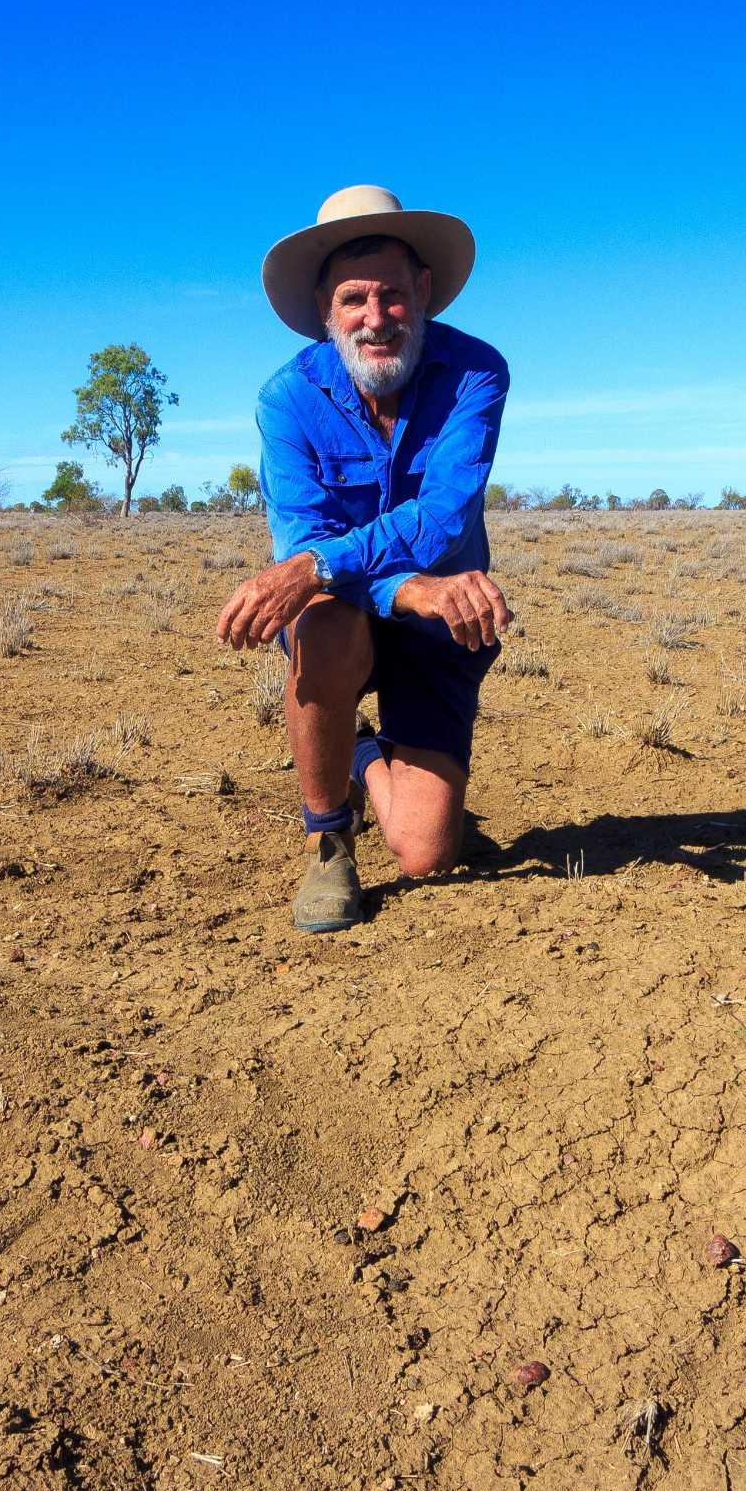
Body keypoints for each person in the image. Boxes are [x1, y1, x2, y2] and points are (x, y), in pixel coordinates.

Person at [215, 185, 516, 932]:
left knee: (426, 853)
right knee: (323, 622)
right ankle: (327, 842)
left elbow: (445, 517)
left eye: (391, 294)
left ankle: (355, 750)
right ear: (325, 307)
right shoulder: (286, 399)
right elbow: (303, 535)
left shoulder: (477, 374)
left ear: (424, 291)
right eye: (353, 299)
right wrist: (398, 588)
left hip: (434, 635)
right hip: (370, 614)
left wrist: (322, 568)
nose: (375, 318)